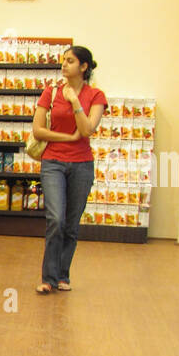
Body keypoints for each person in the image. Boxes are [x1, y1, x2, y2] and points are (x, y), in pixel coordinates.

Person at [30, 46, 106, 294]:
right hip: (52, 162)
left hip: (82, 165)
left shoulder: (96, 96)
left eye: (70, 61)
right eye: (63, 60)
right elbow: (38, 130)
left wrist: (75, 102)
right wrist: (67, 137)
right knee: (56, 219)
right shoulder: (50, 93)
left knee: (71, 224)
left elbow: (87, 130)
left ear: (83, 67)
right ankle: (48, 278)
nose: (64, 65)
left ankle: (63, 275)